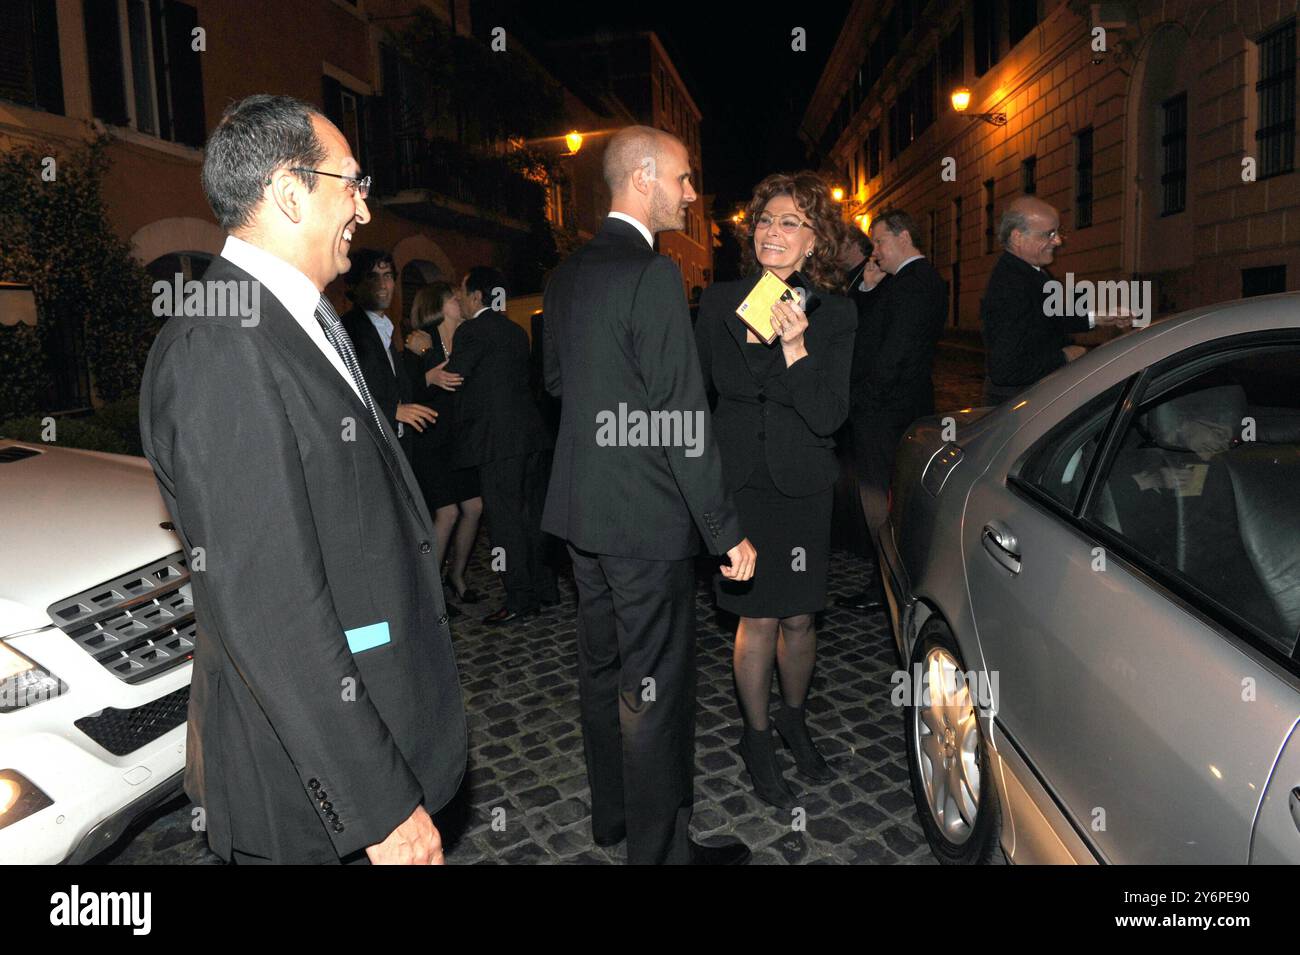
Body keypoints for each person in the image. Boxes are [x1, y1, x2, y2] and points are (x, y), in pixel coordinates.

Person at [138, 94, 465, 864]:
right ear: (290, 191)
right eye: (351, 181)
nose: (364, 204)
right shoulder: (220, 347)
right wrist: (379, 805)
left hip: (376, 719)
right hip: (318, 796)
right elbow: (271, 605)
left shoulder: (302, 320)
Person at [542, 125, 756, 865]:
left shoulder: (567, 274)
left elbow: (559, 385)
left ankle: (613, 820)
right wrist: (726, 529)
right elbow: (680, 413)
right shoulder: (653, 273)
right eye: (684, 178)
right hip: (644, 520)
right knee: (653, 689)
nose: (692, 194)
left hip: (581, 511)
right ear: (642, 176)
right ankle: (661, 853)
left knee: (602, 672)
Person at [695, 171, 856, 808]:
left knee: (798, 615)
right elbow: (702, 391)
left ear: (815, 240)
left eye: (790, 222)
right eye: (765, 220)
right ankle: (756, 737)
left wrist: (795, 343)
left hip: (802, 481)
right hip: (741, 482)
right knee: (754, 615)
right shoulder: (717, 301)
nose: (773, 231)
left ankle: (793, 717)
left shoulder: (836, 313)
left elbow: (827, 415)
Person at [836, 209, 947, 614]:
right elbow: (859, 328)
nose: (875, 251)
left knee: (881, 498)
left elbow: (893, 355)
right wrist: (865, 289)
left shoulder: (918, 283)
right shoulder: (897, 282)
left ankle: (889, 584)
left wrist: (863, 399)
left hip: (886, 411)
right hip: (885, 408)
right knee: (880, 496)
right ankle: (883, 580)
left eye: (880, 240)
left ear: (903, 236)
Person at [446, 266, 558, 624]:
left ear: (478, 296)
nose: (460, 299)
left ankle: (519, 598)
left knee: (505, 523)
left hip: (496, 443)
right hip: (530, 435)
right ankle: (545, 588)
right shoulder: (514, 330)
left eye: (463, 292)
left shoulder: (471, 331)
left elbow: (455, 377)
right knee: (533, 516)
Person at [404, 282, 485, 615]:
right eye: (453, 298)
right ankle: (431, 591)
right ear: (437, 307)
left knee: (475, 507)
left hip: (461, 441)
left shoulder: (467, 339)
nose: (459, 301)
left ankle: (457, 575)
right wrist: (428, 380)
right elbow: (404, 392)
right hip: (430, 441)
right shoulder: (421, 343)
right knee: (447, 512)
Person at [980, 195, 1093, 405]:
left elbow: (1056, 313)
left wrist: (1100, 318)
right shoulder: (1010, 286)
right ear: (1018, 238)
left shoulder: (1032, 271)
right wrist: (1065, 356)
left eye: (1058, 232)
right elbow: (1005, 369)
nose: (1058, 241)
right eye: (1049, 234)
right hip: (1015, 409)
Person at [339, 248, 437, 454]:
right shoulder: (349, 329)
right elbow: (343, 391)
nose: (383, 285)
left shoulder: (383, 327)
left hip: (395, 444)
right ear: (355, 285)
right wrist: (392, 411)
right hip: (367, 447)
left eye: (388, 276)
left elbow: (396, 386)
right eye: (372, 278)